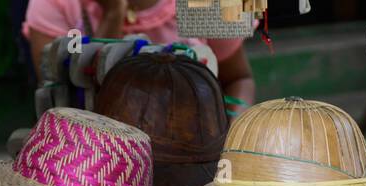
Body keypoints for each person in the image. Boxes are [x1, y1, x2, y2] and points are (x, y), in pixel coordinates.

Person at [24, 0, 255, 113]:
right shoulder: (57, 4)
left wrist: (230, 146)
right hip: (92, 166)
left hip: (189, 158)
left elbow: (237, 79)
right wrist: (113, 15)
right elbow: (67, 110)